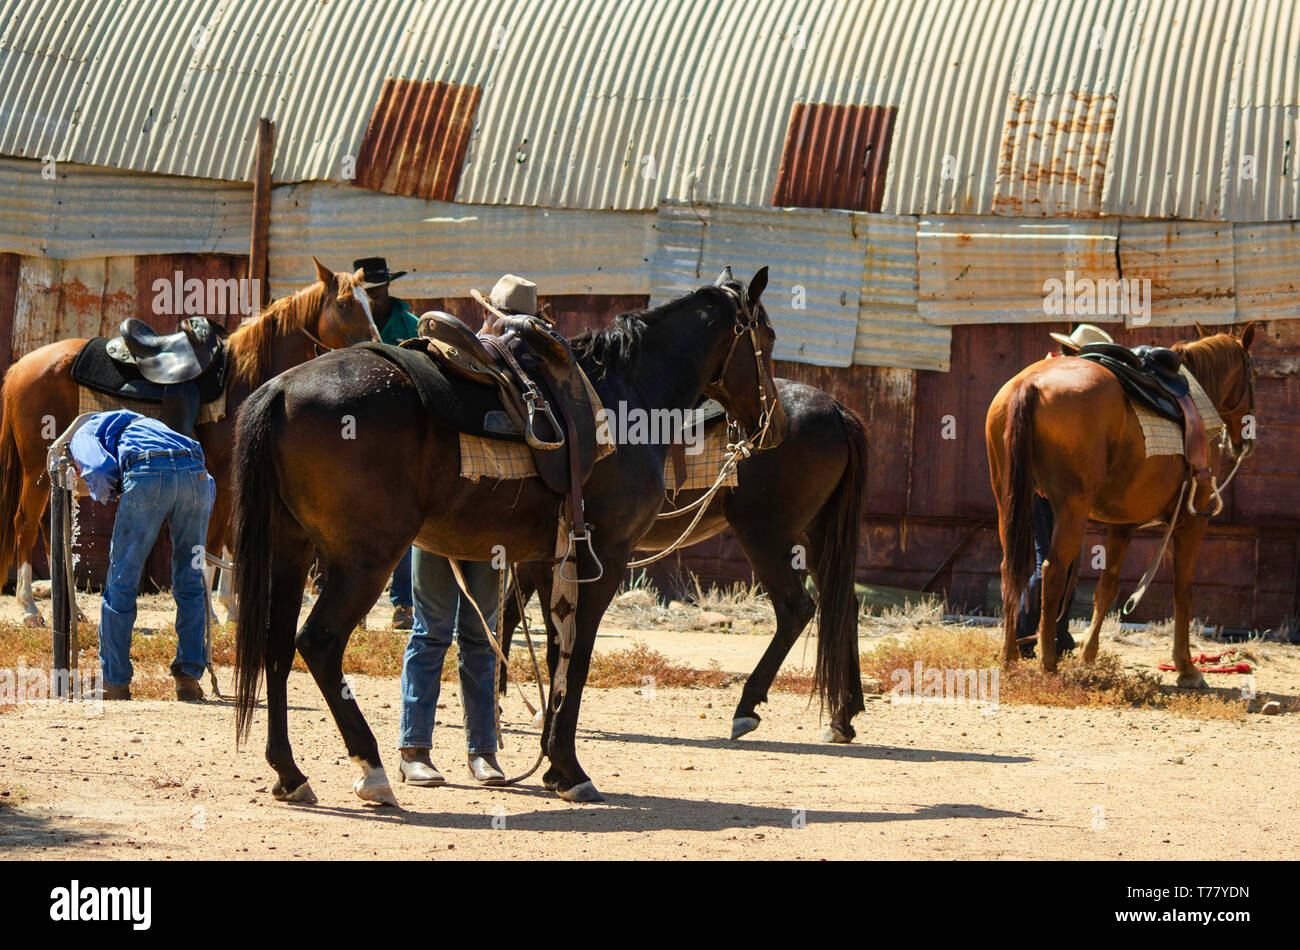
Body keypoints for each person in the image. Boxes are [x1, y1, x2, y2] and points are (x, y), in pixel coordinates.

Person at [66, 410, 215, 701]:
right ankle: (188, 679)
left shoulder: (85, 431)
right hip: (197, 475)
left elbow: (96, 470)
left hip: (147, 473)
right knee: (191, 581)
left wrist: (110, 493)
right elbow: (208, 486)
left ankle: (115, 682)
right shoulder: (153, 426)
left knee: (122, 579)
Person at [1016, 324, 1114, 658]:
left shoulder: (1063, 386)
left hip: (1062, 492)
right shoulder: (1055, 388)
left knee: (1065, 562)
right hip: (1047, 491)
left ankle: (1056, 633)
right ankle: (1025, 634)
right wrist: (1040, 479)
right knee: (1051, 562)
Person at [397, 553, 505, 786]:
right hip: (437, 529)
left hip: (492, 531)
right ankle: (414, 750)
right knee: (430, 634)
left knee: (482, 637)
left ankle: (483, 751)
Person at [354, 257, 418, 628]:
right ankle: (353, 603)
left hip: (396, 430)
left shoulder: (409, 325)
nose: (378, 297)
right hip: (354, 432)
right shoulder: (349, 322)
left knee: (404, 520)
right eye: (371, 292)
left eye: (381, 290)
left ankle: (403, 604)